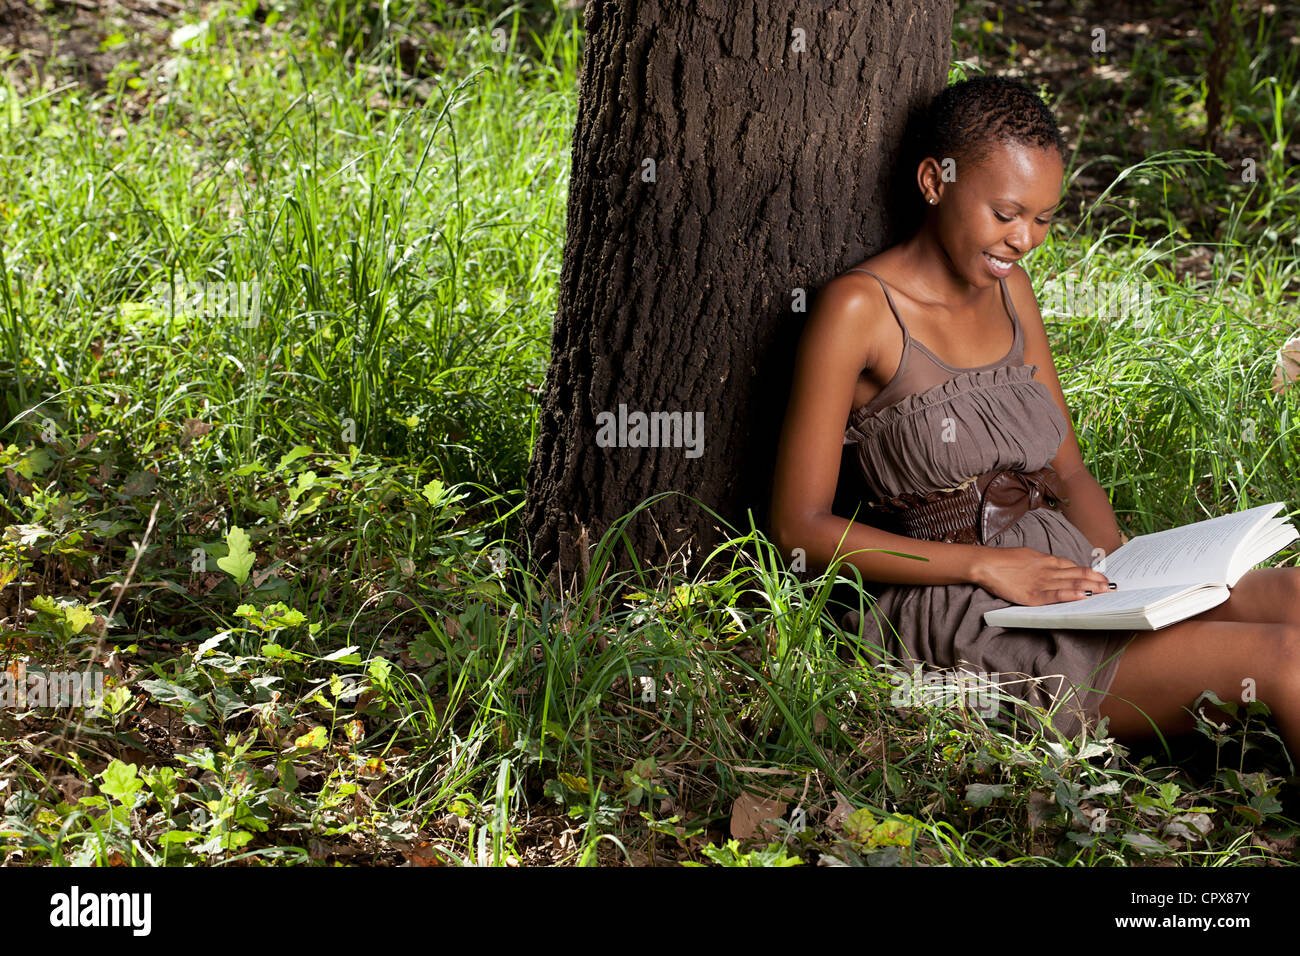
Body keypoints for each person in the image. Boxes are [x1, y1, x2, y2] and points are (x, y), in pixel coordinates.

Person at [768, 75, 1300, 750]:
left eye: (1044, 219)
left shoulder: (1011, 289)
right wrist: (984, 567)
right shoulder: (857, 311)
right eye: (1006, 213)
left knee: (1294, 601)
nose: (1025, 239)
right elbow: (799, 528)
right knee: (1286, 662)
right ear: (936, 181)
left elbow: (1070, 473)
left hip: (1072, 573)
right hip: (966, 607)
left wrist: (1121, 573)